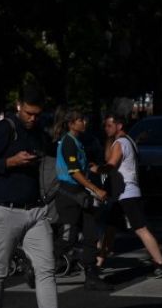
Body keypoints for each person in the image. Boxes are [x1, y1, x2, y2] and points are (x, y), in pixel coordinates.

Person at [0, 89, 56, 308]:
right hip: (4, 210)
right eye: (29, 113)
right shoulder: (5, 128)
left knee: (46, 269)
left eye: (37, 114)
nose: (32, 118)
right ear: (19, 105)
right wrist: (10, 162)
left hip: (35, 211)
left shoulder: (38, 130)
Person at [98, 114, 162, 278]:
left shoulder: (120, 143)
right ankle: (98, 263)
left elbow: (110, 165)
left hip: (127, 194)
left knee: (141, 229)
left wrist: (95, 169)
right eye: (105, 126)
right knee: (110, 229)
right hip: (122, 194)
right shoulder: (129, 141)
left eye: (109, 126)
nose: (106, 129)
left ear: (119, 126)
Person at [52, 108, 111, 290]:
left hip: (81, 193)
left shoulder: (78, 142)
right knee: (67, 239)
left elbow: (80, 168)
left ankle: (91, 275)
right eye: (80, 120)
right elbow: (74, 172)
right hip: (69, 194)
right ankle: (39, 267)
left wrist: (93, 169)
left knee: (91, 234)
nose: (84, 122)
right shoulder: (68, 142)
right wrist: (95, 188)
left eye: (84, 119)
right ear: (71, 124)